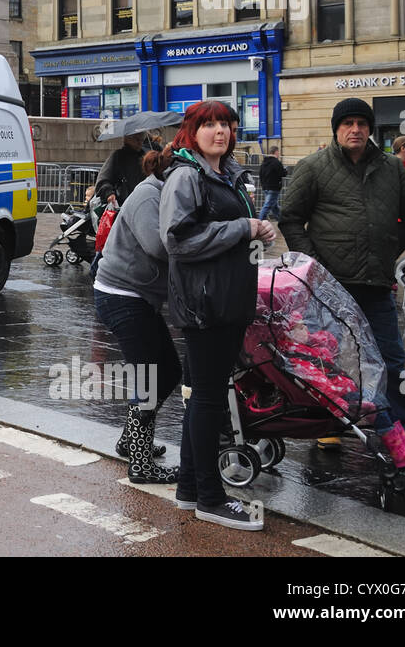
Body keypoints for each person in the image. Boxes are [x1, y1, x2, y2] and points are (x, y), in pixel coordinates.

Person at [280, 98, 405, 459]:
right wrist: (312, 266)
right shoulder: (314, 167)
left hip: (376, 284)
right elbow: (290, 218)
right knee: (329, 362)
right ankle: (329, 426)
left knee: (391, 361)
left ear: (370, 129)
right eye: (347, 123)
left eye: (362, 123)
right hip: (330, 288)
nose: (355, 130)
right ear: (336, 129)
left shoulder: (391, 168)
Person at [159, 100, 272, 530]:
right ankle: (211, 496)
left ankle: (190, 487)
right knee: (207, 398)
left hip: (226, 301)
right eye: (209, 124)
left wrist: (256, 228)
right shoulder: (187, 176)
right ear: (192, 131)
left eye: (225, 124)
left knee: (203, 397)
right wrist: (242, 228)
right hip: (205, 306)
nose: (219, 132)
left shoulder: (226, 174)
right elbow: (178, 240)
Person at [92, 146, 181, 484]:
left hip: (140, 296)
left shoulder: (164, 194)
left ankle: (130, 440)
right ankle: (141, 465)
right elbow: (157, 246)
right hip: (122, 295)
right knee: (147, 377)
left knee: (170, 370)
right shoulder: (148, 195)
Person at [95, 133, 148, 207]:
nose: (140, 143)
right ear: (127, 139)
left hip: (142, 202)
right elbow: (103, 180)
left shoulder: (146, 157)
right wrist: (109, 194)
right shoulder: (117, 156)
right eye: (137, 139)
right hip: (123, 204)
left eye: (142, 140)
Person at [258, 145, 286, 222]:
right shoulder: (276, 162)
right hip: (274, 187)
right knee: (267, 206)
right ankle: (259, 222)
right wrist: (285, 170)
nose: (279, 154)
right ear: (276, 152)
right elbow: (282, 173)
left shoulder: (264, 162)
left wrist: (263, 184)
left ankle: (282, 221)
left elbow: (261, 174)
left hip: (265, 187)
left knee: (274, 207)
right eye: (278, 152)